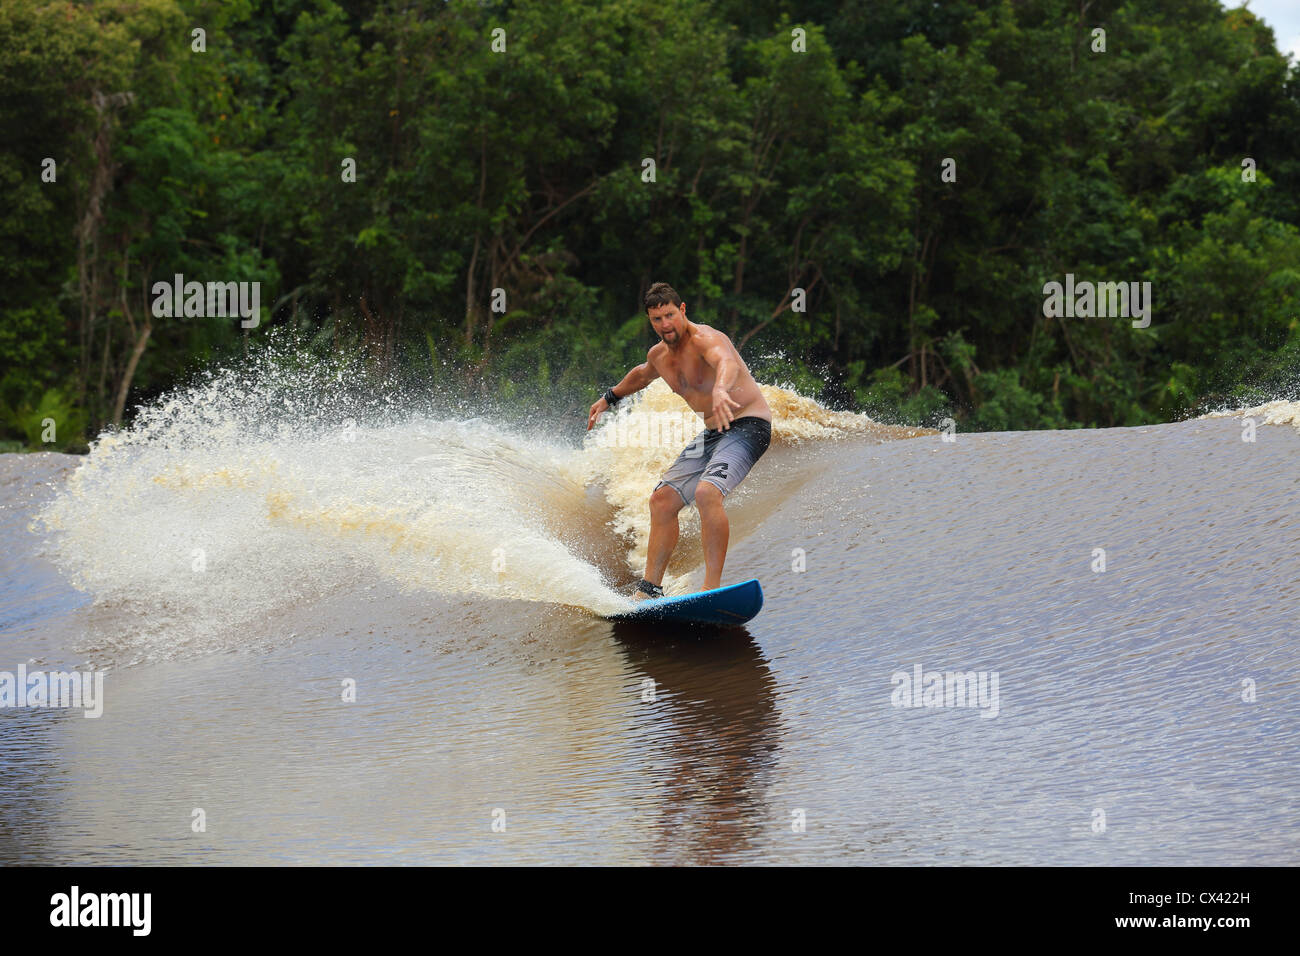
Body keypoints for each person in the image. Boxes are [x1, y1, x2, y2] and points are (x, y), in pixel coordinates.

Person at [587, 282, 772, 600]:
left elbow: (725, 362)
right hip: (714, 434)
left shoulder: (708, 339)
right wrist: (609, 397)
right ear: (650, 319)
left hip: (748, 424)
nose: (665, 325)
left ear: (682, 309)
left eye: (670, 315)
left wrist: (720, 389)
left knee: (707, 492)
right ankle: (649, 590)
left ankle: (711, 589)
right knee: (661, 501)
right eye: (657, 319)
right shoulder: (659, 356)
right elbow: (642, 374)